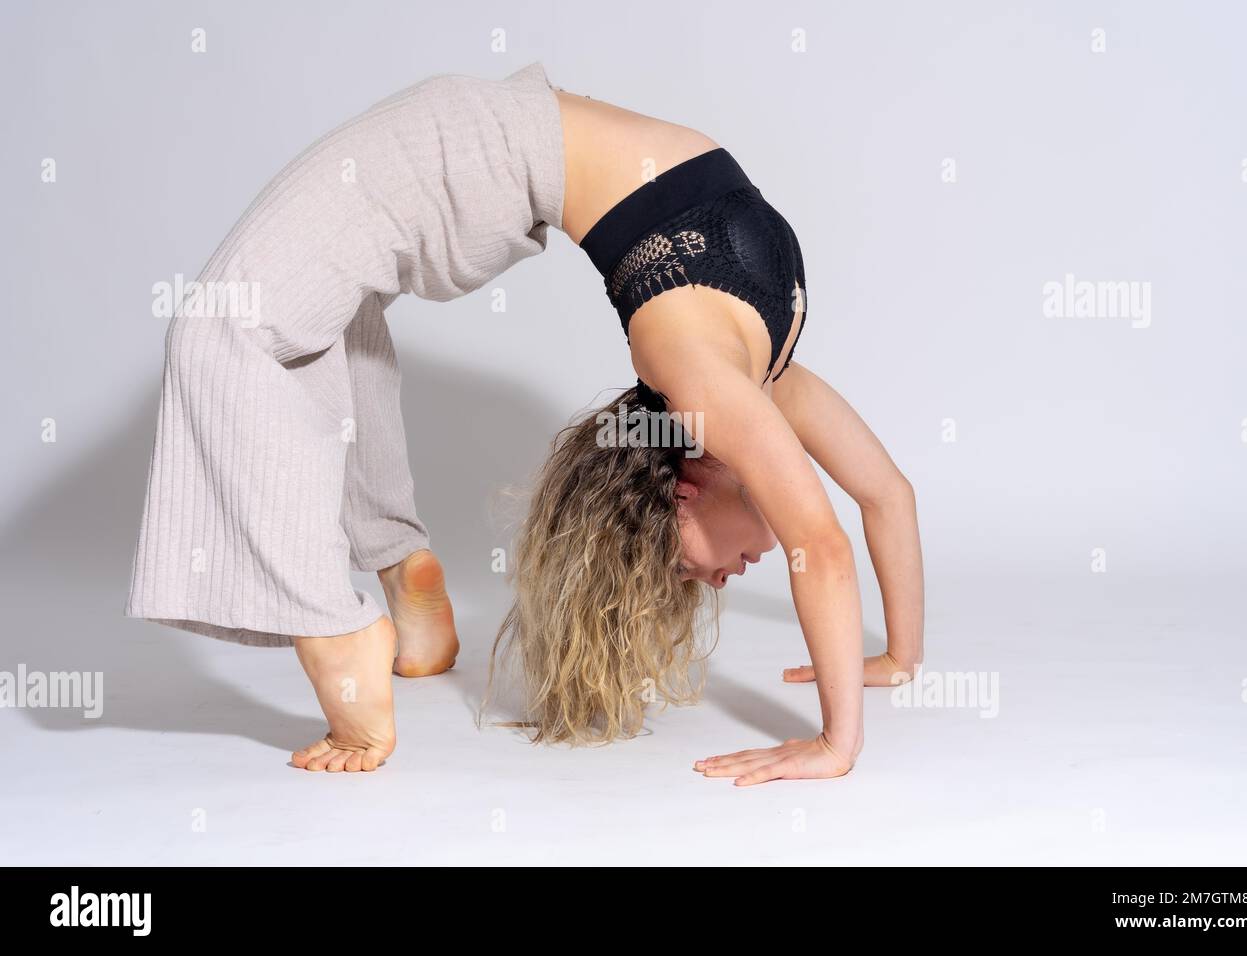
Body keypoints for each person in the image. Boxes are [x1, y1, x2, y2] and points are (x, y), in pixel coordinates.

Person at [126, 61, 924, 783]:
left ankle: (391, 574)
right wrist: (837, 742)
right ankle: (338, 621)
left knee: (292, 312)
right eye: (687, 568)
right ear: (680, 494)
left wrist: (898, 656)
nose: (714, 580)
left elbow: (886, 495)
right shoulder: (707, 384)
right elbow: (824, 538)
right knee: (224, 326)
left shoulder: (757, 376)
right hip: (482, 149)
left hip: (501, 152)